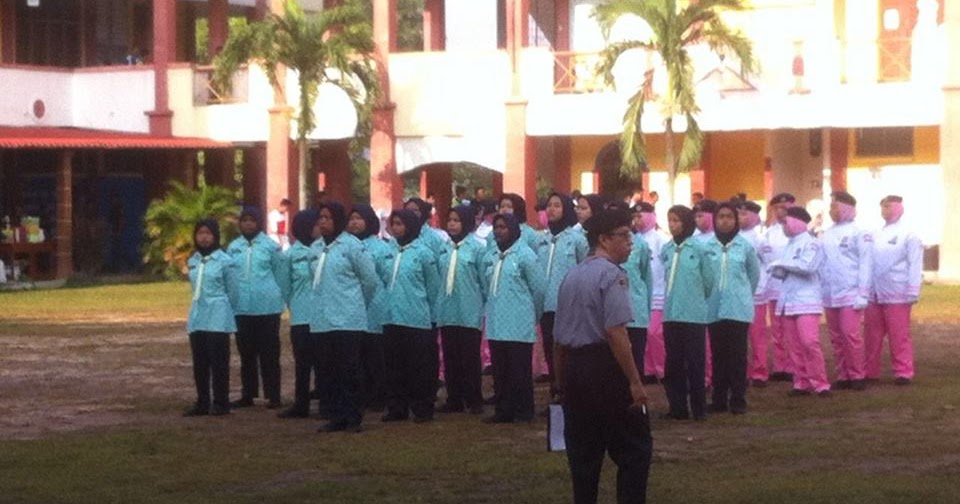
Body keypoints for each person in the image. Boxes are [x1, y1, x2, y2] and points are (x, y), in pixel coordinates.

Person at [554, 207, 652, 504]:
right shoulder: (612, 275)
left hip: (575, 370)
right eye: (624, 236)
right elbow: (615, 332)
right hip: (605, 368)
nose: (630, 242)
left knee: (583, 455)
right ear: (604, 239)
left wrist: (561, 383)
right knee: (635, 448)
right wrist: (634, 381)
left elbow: (558, 340)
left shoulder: (572, 276)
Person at [309, 202, 381, 432]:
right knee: (328, 370)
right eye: (320, 217)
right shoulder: (316, 248)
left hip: (348, 318)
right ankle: (335, 414)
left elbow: (369, 280)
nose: (323, 221)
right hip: (322, 318)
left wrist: (357, 304)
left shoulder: (352, 246)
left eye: (328, 217)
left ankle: (352, 416)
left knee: (348, 369)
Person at [480, 213, 545, 423]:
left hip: (519, 322)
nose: (499, 231)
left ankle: (523, 410)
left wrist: (533, 315)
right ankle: (503, 409)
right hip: (497, 322)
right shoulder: (490, 255)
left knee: (519, 370)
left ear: (514, 229)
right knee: (500, 370)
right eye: (496, 227)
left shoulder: (525, 254)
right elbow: (484, 284)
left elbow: (539, 289)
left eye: (503, 227)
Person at [380, 209, 441, 423]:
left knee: (419, 366)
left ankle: (422, 407)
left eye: (400, 224)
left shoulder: (423, 252)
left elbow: (433, 287)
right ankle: (397, 407)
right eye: (393, 224)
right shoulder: (389, 250)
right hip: (391, 317)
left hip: (416, 317)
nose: (396, 228)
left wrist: (432, 315)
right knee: (394, 366)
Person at [226, 206, 286, 409]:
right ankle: (248, 394)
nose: (248, 224)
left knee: (269, 353)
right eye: (245, 220)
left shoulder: (271, 247)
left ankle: (274, 394)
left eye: (252, 220)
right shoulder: (233, 247)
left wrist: (278, 298)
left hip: (267, 307)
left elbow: (280, 274)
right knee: (246, 354)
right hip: (242, 308)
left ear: (259, 223)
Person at [660, 205, 715, 421]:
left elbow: (709, 281)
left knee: (695, 362)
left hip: (693, 315)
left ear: (686, 223)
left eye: (676, 221)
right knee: (673, 363)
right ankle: (677, 407)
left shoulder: (699, 249)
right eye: (670, 220)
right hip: (671, 314)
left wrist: (696, 300)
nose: (672, 225)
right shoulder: (666, 249)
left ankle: (699, 408)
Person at [769, 206, 830, 397]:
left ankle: (820, 383)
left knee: (809, 342)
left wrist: (781, 265)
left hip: (806, 300)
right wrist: (778, 270)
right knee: (793, 345)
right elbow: (787, 270)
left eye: (787, 222)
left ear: (796, 222)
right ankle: (801, 382)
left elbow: (807, 266)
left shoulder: (812, 243)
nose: (784, 226)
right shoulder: (790, 244)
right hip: (788, 300)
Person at [706, 202, 760, 414]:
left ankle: (738, 399)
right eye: (721, 217)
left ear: (735, 220)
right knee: (718, 355)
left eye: (729, 216)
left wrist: (743, 294)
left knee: (737, 355)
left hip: (738, 309)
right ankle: (719, 399)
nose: (725, 221)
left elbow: (753, 275)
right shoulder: (707, 247)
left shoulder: (744, 246)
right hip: (714, 308)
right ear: (715, 220)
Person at [864, 195, 922, 385]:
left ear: (898, 208)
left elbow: (915, 263)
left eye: (888, 206)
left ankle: (903, 371)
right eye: (882, 207)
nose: (884, 211)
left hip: (898, 292)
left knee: (899, 334)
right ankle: (870, 371)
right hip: (875, 292)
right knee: (872, 335)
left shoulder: (909, 234)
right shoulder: (875, 233)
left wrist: (913, 289)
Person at [184, 219, 237, 417]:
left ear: (215, 236)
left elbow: (233, 291)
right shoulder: (194, 260)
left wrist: (225, 310)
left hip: (218, 314)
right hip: (198, 314)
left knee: (219, 361)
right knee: (200, 362)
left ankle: (221, 402)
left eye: (208, 233)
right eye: (200, 233)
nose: (204, 237)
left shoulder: (225, 261)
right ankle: (202, 401)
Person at [435, 205, 486, 415]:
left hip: (469, 310)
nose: (452, 224)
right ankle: (454, 398)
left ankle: (474, 399)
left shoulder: (477, 248)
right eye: (450, 220)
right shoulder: (444, 247)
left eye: (457, 220)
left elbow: (483, 280)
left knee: (469, 356)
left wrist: (480, 306)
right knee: (450, 355)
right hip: (448, 311)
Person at [536, 193, 589, 389]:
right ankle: (555, 390)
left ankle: (571, 391)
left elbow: (584, 268)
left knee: (568, 349)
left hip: (568, 304)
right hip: (546, 305)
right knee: (550, 348)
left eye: (557, 205)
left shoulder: (577, 239)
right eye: (549, 205)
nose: (551, 209)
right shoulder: (542, 239)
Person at [820, 191, 872, 391]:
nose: (831, 210)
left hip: (851, 292)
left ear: (846, 207)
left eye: (835, 206)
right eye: (831, 206)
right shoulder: (827, 233)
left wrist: (863, 292)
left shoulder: (859, 232)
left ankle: (858, 374)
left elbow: (866, 263)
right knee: (836, 336)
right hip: (830, 293)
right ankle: (843, 374)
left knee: (850, 335)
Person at [348, 204, 393, 411]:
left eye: (359, 218)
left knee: (376, 355)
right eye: (351, 219)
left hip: (376, 306)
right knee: (358, 355)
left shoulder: (380, 247)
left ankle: (379, 396)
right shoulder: (346, 246)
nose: (354, 222)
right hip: (352, 306)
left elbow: (386, 277)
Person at [277, 209, 321, 419]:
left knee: (325, 363)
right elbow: (285, 286)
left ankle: (326, 403)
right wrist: (294, 304)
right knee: (303, 364)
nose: (319, 228)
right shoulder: (291, 255)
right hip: (302, 315)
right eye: (315, 224)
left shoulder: (324, 250)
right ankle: (301, 404)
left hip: (323, 315)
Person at [736, 200, 772, 387]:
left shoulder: (759, 238)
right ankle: (744, 371)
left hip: (756, 292)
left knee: (757, 335)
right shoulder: (734, 237)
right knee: (740, 335)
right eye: (739, 214)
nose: (741, 218)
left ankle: (760, 372)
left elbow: (768, 264)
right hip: (739, 293)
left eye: (744, 214)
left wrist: (762, 285)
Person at [761, 193, 796, 382]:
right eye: (778, 208)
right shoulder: (769, 232)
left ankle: (793, 365)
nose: (782, 211)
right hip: (774, 286)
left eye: (785, 207)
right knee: (777, 329)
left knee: (791, 329)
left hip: (792, 287)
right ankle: (780, 365)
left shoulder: (798, 230)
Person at [636, 203, 666, 383]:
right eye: (636, 217)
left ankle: (661, 368)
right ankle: (647, 369)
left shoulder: (660, 240)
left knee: (655, 333)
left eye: (642, 216)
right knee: (644, 333)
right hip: (641, 293)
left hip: (658, 292)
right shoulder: (634, 240)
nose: (638, 220)